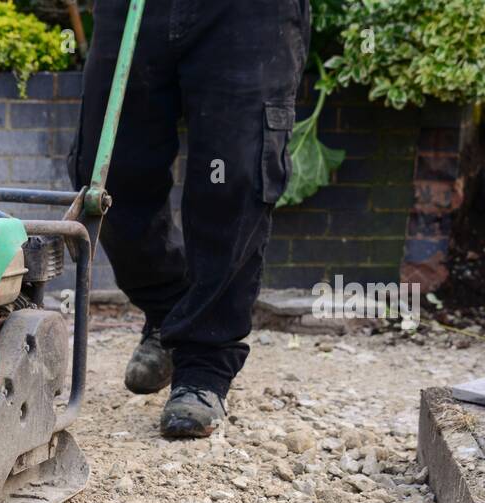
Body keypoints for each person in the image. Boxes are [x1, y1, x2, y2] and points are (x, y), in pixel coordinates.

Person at [70, 0, 311, 437]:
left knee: (231, 176)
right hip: (133, 9)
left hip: (245, 16)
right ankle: (167, 309)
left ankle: (203, 365)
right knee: (106, 172)